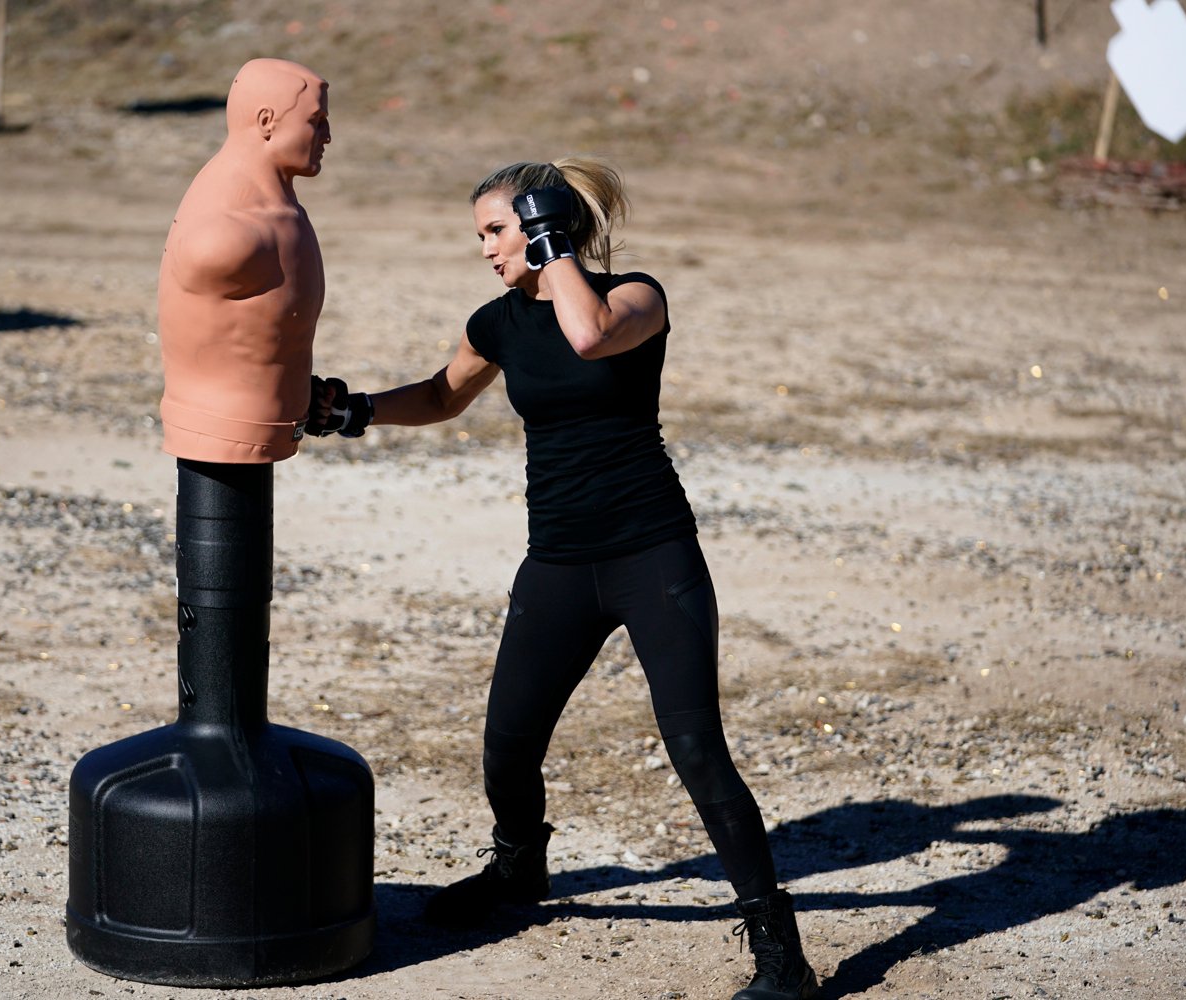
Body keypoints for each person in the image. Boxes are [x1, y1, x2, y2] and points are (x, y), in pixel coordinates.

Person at [309, 158, 819, 1000]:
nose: (485, 249)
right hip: (557, 564)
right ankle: (519, 869)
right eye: (480, 235)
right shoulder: (498, 322)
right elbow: (442, 395)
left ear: (547, 223)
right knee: (507, 744)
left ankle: (779, 951)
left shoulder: (638, 297)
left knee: (697, 750)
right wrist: (353, 409)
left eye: (497, 230)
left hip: (653, 556)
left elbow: (589, 335)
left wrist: (556, 249)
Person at [158, 58, 331, 464]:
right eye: (316, 121)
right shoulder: (232, 228)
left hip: (267, 425)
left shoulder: (281, 211)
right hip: (218, 428)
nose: (327, 136)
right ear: (267, 122)